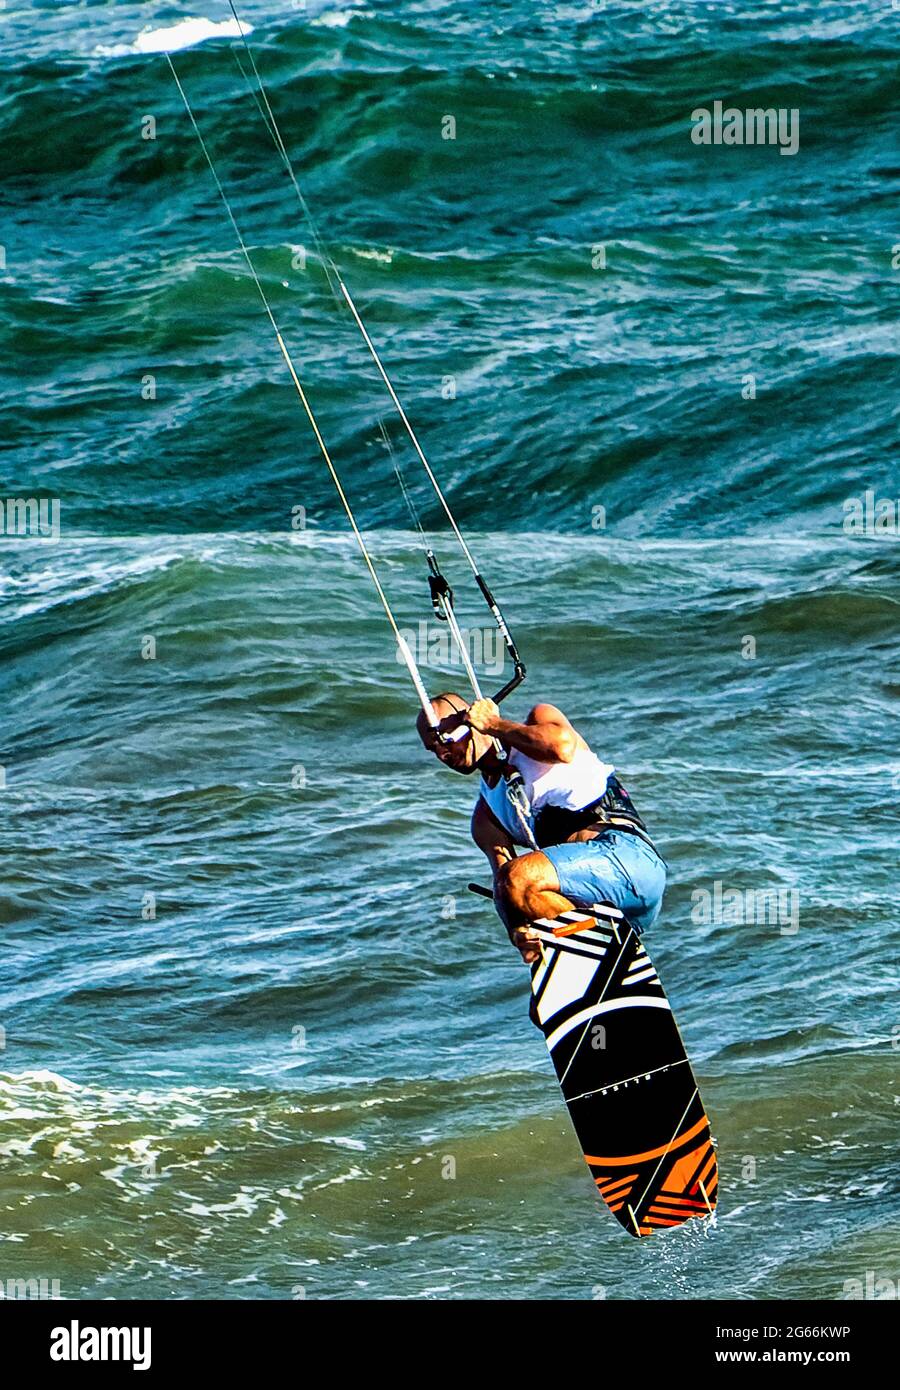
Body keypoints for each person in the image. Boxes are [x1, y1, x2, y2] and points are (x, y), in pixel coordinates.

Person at [416, 693, 666, 964]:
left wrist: (494, 724)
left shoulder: (539, 721)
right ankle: (599, 956)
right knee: (517, 895)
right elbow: (506, 889)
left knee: (517, 878)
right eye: (433, 750)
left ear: (470, 722)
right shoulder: (485, 817)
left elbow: (561, 748)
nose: (442, 754)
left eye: (445, 740)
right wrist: (518, 933)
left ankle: (598, 948)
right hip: (597, 906)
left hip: (630, 862)